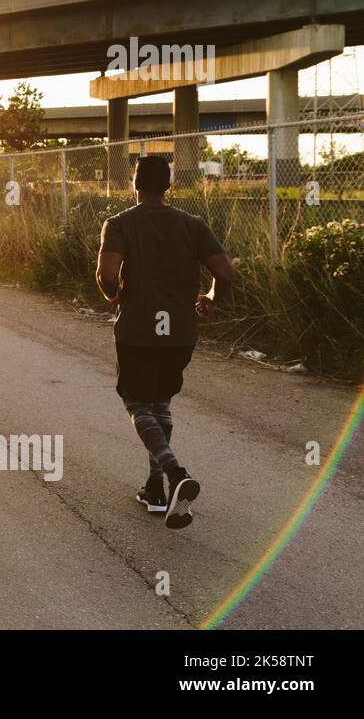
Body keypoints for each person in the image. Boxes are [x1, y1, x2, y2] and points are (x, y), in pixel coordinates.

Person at [97, 155, 235, 530]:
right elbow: (225, 272)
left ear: (135, 184)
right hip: (180, 333)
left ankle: (174, 474)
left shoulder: (121, 223)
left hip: (138, 331)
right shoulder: (193, 224)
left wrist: (114, 294)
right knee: (161, 402)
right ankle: (155, 488)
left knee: (137, 402)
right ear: (169, 186)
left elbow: (107, 274)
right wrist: (211, 297)